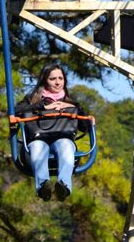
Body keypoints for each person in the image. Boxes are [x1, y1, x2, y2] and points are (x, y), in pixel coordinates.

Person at [15, 64, 86, 200]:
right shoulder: (33, 99)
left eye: (60, 78)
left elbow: (84, 126)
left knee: (65, 144)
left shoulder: (70, 102)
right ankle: (43, 186)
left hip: (63, 139)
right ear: (45, 81)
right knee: (37, 147)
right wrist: (44, 107)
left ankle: (63, 186)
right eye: (52, 79)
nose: (57, 82)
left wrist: (72, 107)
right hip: (37, 139)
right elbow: (16, 111)